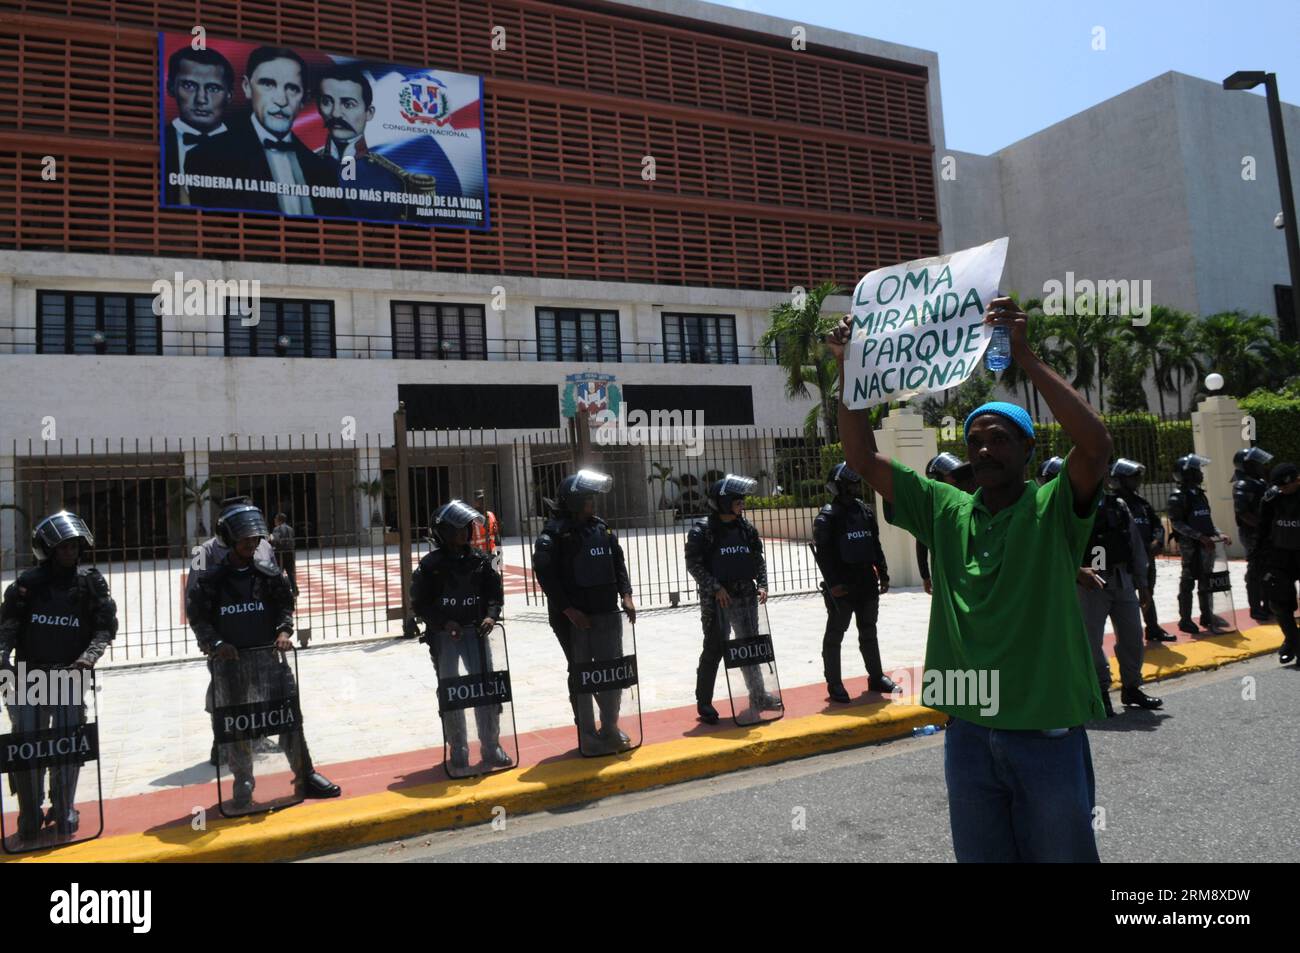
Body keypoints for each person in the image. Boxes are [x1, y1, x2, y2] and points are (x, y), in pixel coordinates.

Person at [830, 295, 1112, 863]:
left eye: (1000, 438)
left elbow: (1097, 446)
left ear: (1030, 450)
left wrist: (1026, 357)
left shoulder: (1054, 509)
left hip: (1046, 734)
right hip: (967, 733)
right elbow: (861, 457)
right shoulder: (944, 508)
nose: (984, 448)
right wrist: (848, 368)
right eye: (975, 440)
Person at [185, 500, 339, 807]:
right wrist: (213, 643)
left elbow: (280, 594)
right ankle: (241, 778)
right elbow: (196, 605)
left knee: (287, 715)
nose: (251, 542)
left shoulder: (263, 554)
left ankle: (304, 773)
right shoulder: (206, 560)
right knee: (234, 716)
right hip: (230, 658)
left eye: (254, 536)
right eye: (244, 536)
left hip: (267, 655)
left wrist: (284, 630)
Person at [0, 512, 115, 842]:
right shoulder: (26, 586)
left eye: (74, 547)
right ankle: (29, 811)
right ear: (48, 549)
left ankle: (64, 805)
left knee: (68, 745)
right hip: (26, 678)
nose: (70, 553)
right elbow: (7, 628)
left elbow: (104, 629)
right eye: (63, 547)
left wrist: (86, 660)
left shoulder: (89, 584)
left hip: (69, 676)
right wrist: (2, 660)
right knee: (26, 747)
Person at [531, 470, 637, 751]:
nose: (593, 503)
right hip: (574, 620)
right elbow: (546, 576)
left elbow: (618, 563)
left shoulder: (601, 529)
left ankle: (611, 727)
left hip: (607, 615)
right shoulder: (553, 536)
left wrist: (626, 595)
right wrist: (568, 610)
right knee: (583, 672)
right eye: (588, 498)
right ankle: (587, 732)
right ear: (574, 501)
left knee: (611, 672)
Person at [186, 46, 345, 216]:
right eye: (268, 84)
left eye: (292, 89)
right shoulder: (207, 157)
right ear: (247, 87)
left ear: (304, 99)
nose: (281, 100)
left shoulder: (324, 171)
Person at [410, 500, 510, 771]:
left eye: (466, 529)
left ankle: (491, 746)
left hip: (476, 634)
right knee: (452, 692)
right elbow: (420, 604)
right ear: (442, 532)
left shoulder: (480, 560)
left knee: (486, 689)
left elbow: (494, 594)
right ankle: (458, 749)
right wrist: (444, 623)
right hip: (446, 639)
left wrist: (491, 615)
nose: (463, 534)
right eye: (456, 530)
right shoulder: (430, 566)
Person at [686, 474, 782, 723]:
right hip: (717, 601)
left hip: (746, 597)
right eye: (737, 501)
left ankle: (759, 696)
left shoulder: (746, 528)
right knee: (714, 648)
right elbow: (694, 565)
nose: (742, 505)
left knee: (749, 647)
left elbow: (757, 559)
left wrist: (762, 585)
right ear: (724, 502)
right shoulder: (702, 531)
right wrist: (715, 587)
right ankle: (704, 702)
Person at [1072, 461, 1163, 716]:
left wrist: (1142, 583)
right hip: (1090, 582)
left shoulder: (1117, 505)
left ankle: (1132, 688)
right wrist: (1077, 571)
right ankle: (1100, 690)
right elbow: (1060, 543)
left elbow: (1134, 543)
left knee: (1133, 636)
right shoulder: (1072, 506)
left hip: (1121, 579)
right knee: (1091, 642)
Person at [812, 462, 897, 702]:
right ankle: (834, 683)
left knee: (869, 631)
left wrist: (883, 572)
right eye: (849, 483)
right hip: (842, 585)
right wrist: (833, 583)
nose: (854, 487)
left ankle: (876, 677)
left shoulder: (864, 511)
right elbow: (824, 555)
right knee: (835, 634)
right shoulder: (827, 517)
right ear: (838, 486)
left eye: (855, 482)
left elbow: (874, 544)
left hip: (866, 581)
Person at [315, 63, 429, 221]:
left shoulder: (396, 179)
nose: (336, 113)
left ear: (369, 113)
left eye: (348, 104)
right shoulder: (304, 164)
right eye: (327, 102)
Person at [1111, 458, 1176, 642]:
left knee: (1148, 592)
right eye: (1133, 477)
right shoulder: (1115, 503)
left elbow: (1157, 525)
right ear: (1121, 480)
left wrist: (1158, 540)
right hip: (1126, 561)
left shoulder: (1142, 503)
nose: (1137, 481)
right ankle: (1128, 634)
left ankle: (1152, 628)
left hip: (1147, 558)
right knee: (1126, 599)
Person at [1167, 454, 1233, 634]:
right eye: (1196, 470)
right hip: (1191, 547)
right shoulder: (1177, 497)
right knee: (1188, 582)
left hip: (1207, 547)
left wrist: (1220, 534)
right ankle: (1185, 619)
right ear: (1186, 474)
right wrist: (1199, 537)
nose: (1200, 473)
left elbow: (1207, 521)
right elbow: (1177, 523)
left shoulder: (1200, 495)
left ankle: (1207, 615)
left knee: (1207, 582)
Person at [163, 46, 234, 205]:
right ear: (171, 88)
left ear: (230, 95)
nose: (201, 99)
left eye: (213, 88)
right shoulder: (159, 141)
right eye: (189, 86)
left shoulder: (251, 148)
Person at [1258, 462, 1300, 665]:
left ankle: (1290, 643)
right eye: (1280, 487)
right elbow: (1263, 528)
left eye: (1287, 486)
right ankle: (1294, 642)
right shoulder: (1272, 498)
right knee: (1280, 605)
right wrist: (1259, 557)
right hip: (1280, 556)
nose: (1283, 490)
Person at [916, 453, 975, 594]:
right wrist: (925, 576)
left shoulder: (976, 495)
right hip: (948, 576)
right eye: (952, 476)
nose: (957, 480)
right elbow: (921, 542)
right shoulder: (934, 507)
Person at [1233, 446, 1275, 623]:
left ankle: (1268, 605)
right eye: (1256, 463)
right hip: (1252, 534)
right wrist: (1262, 526)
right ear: (1247, 465)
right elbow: (1243, 513)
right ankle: (1255, 607)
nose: (1261, 465)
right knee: (1256, 571)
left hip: (1265, 533)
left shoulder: (1260, 482)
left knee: (1268, 569)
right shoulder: (1243, 485)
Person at [270, 513, 298, 597]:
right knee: (291, 573)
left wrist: (271, 541)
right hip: (290, 552)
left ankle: (280, 590)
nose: (274, 520)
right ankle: (294, 590)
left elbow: (276, 540)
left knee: (279, 573)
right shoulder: (290, 529)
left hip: (280, 553)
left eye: (275, 518)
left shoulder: (276, 529)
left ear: (279, 519)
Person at [469, 489, 500, 558]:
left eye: (483, 499)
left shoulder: (491, 515)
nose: (481, 502)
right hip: (477, 556)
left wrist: (499, 555)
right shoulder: (470, 517)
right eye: (479, 500)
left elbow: (496, 536)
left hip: (491, 553)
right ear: (475, 502)